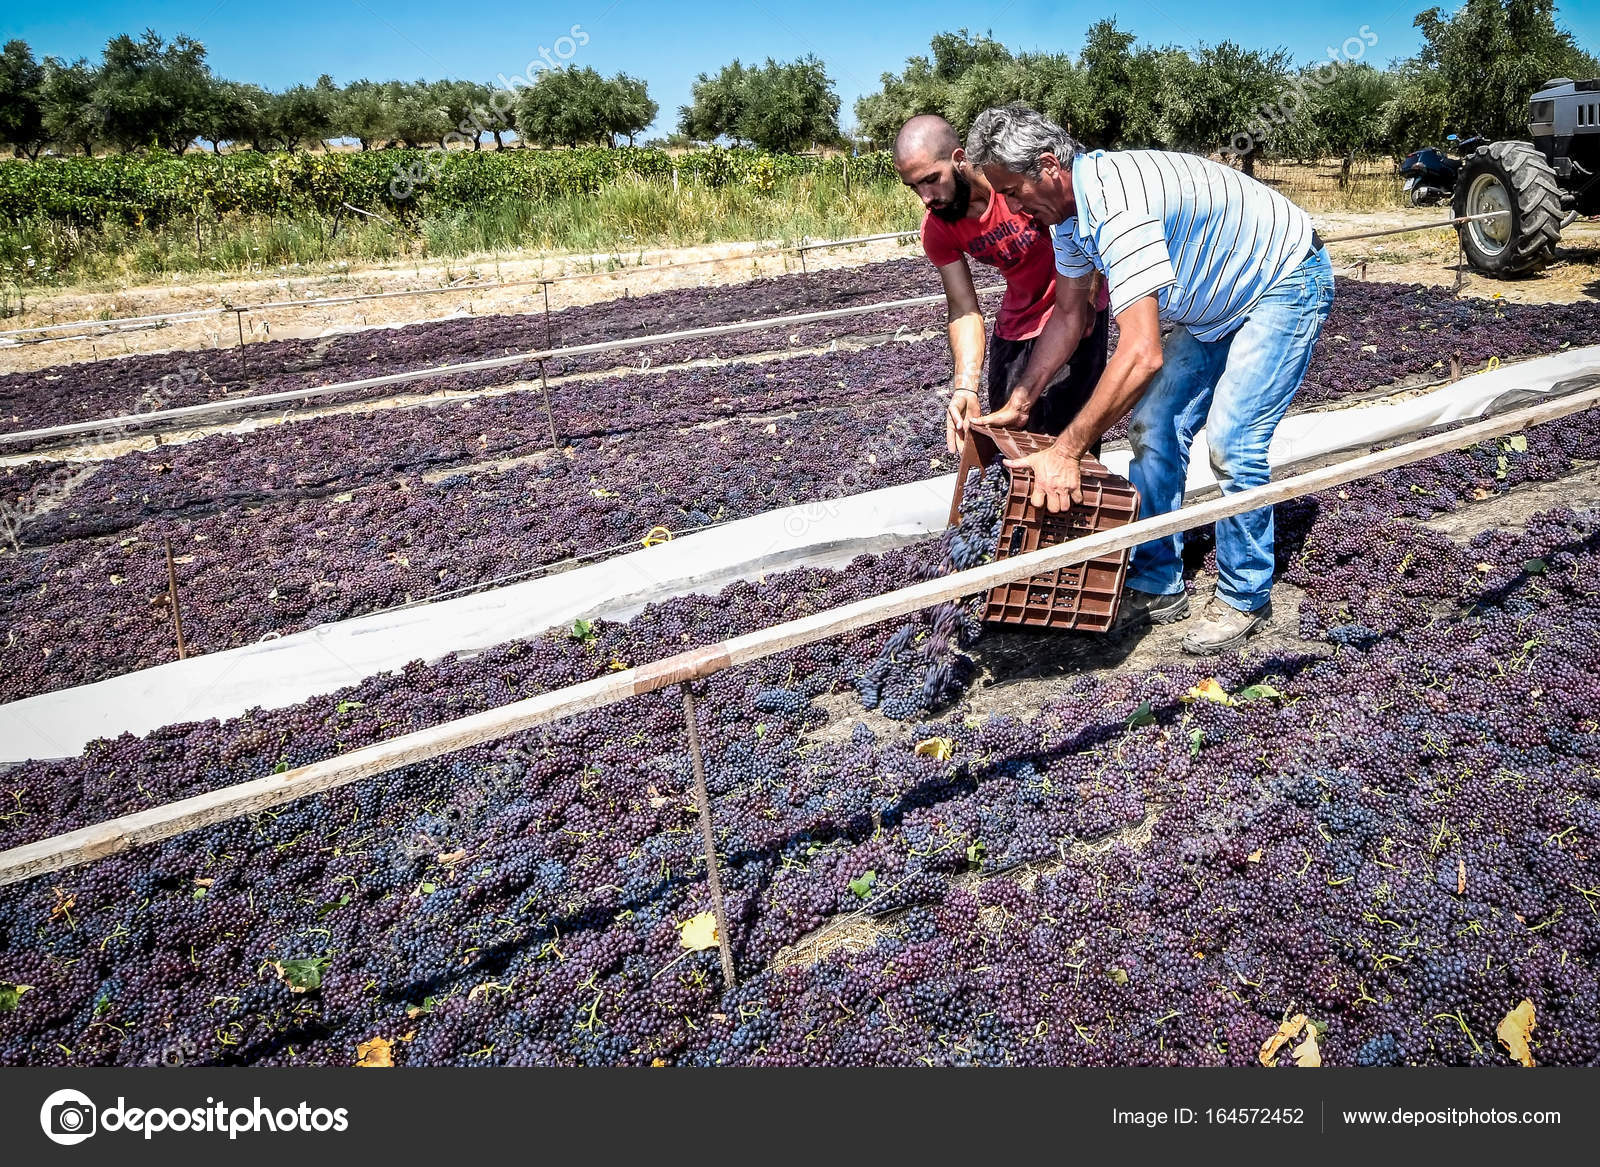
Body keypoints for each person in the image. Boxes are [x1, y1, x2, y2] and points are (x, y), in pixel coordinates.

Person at [964, 104, 1335, 655]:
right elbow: (1070, 314)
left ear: (1049, 167)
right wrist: (1022, 397)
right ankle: (1159, 578)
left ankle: (1244, 595)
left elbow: (1142, 354)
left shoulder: (1116, 205)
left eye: (1014, 192)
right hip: (1212, 306)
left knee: (1234, 441)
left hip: (1280, 282)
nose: (1014, 210)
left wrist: (1068, 451)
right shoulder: (1067, 216)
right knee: (1152, 427)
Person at [892, 114, 1109, 455]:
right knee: (1008, 439)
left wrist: (1089, 298)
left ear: (959, 159)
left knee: (1066, 439)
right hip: (1017, 323)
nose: (925, 197)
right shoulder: (938, 227)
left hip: (1075, 311)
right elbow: (963, 308)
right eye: (915, 186)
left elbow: (1083, 218)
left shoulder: (1011, 182)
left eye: (931, 180)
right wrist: (965, 386)